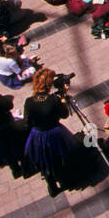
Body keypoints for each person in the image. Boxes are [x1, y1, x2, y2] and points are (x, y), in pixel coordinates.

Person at [22, 68, 76, 196]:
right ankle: (65, 178)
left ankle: (51, 186)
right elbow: (64, 115)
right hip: (55, 134)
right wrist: (62, 100)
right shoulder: (53, 100)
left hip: (38, 135)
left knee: (44, 160)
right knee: (59, 156)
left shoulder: (29, 102)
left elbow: (27, 123)